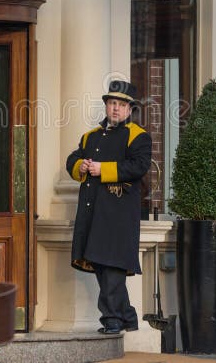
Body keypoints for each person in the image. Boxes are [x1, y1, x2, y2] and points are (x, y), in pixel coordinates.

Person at [65, 80, 152, 334]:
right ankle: (127, 316)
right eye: (112, 103)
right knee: (101, 264)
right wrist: (79, 166)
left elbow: (139, 166)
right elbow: (73, 157)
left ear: (129, 109)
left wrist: (103, 169)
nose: (116, 108)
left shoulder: (138, 135)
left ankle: (112, 320)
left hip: (118, 214)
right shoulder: (90, 136)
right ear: (107, 105)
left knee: (112, 266)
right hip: (93, 211)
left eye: (121, 104)